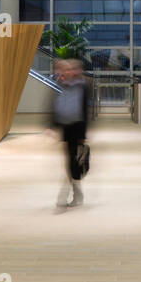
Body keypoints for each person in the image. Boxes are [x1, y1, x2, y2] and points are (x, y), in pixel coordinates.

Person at [52, 59, 89, 209]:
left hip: (77, 128)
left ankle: (69, 192)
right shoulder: (63, 86)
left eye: (71, 69)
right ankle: (76, 191)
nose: (68, 72)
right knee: (70, 161)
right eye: (66, 69)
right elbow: (57, 106)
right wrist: (53, 125)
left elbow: (85, 111)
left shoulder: (82, 87)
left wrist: (83, 134)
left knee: (72, 162)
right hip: (66, 128)